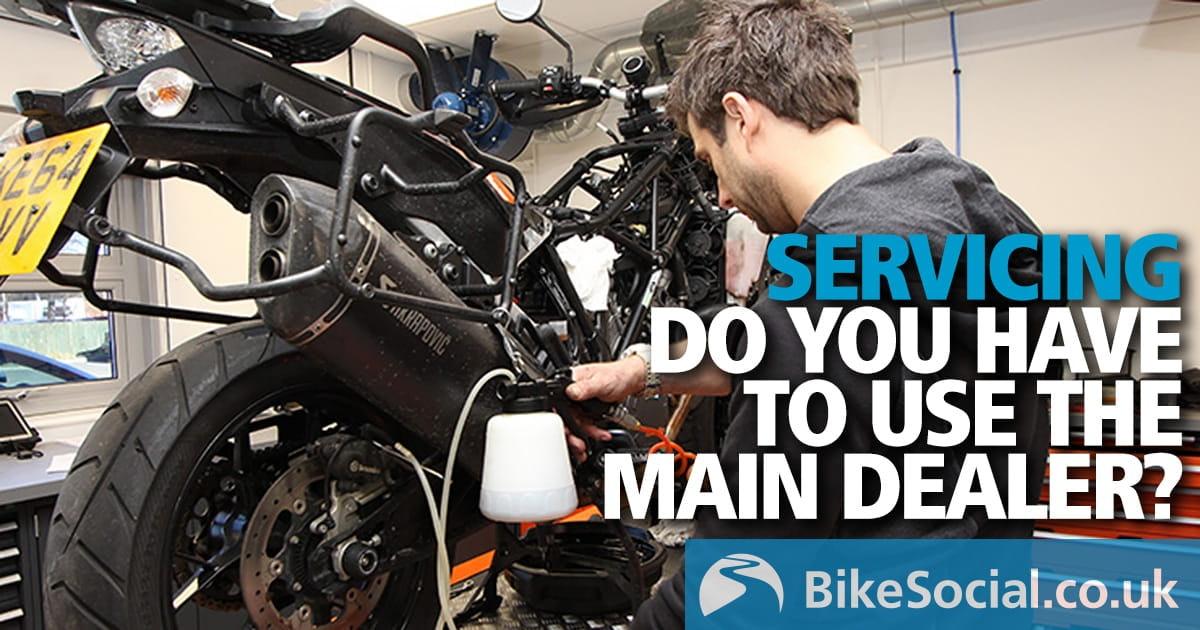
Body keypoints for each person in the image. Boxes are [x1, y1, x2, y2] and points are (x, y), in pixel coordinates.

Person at [563, 1, 1057, 628]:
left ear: (741, 117)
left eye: (710, 159)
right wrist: (643, 369)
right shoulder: (987, 217)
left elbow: (732, 583)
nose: (720, 195)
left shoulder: (830, 282)